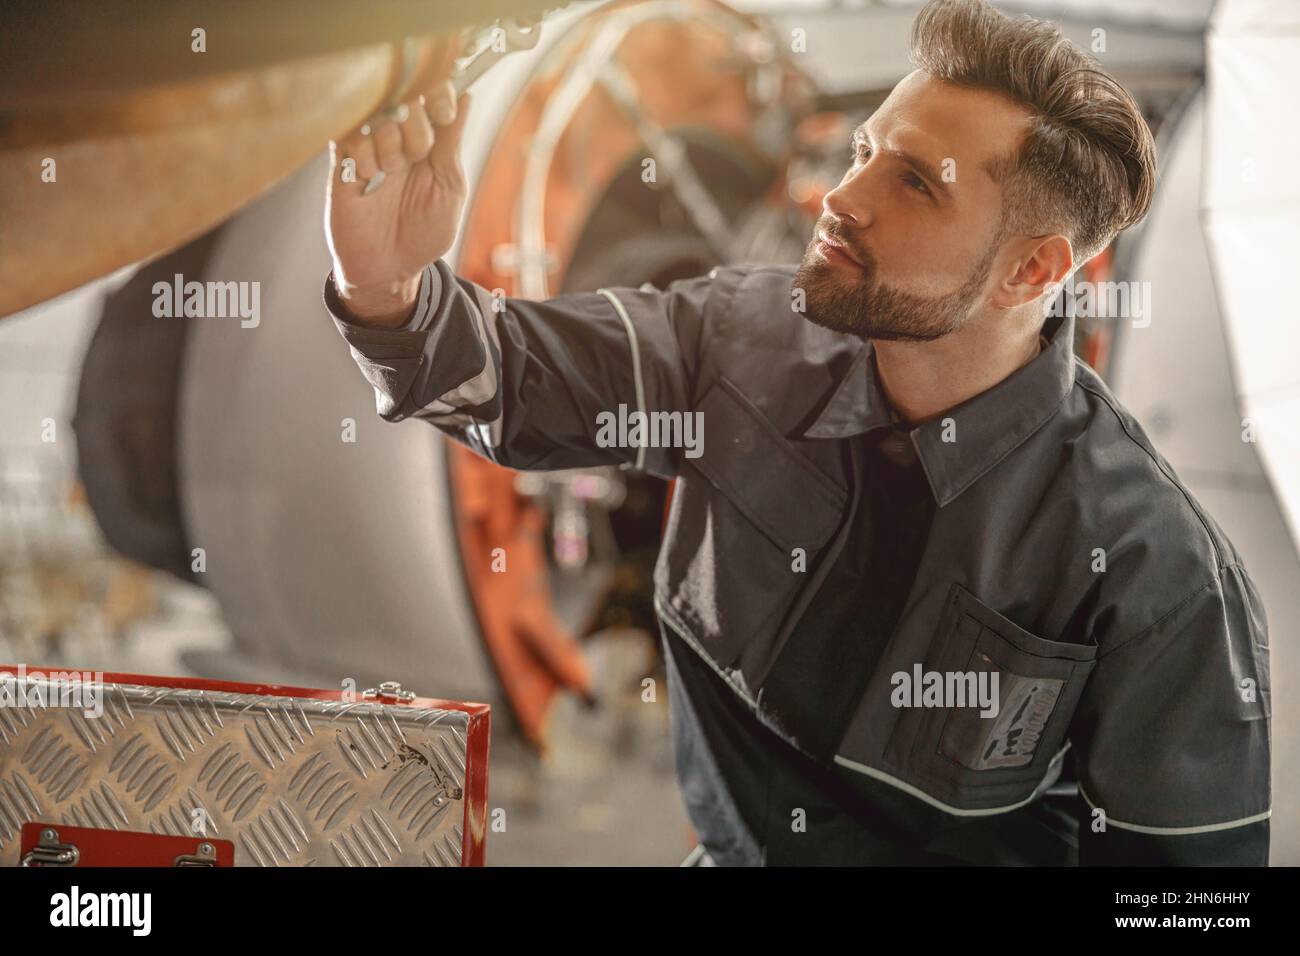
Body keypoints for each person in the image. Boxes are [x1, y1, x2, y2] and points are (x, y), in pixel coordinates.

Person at [320, 0, 1270, 864]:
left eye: (913, 184)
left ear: (1030, 273)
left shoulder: (1154, 575)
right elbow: (508, 383)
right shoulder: (741, 340)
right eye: (862, 152)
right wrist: (386, 283)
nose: (840, 198)